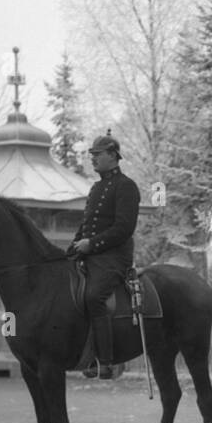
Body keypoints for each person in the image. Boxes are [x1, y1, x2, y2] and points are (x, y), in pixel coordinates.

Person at [69, 131, 139, 378]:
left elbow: (123, 229)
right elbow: (87, 224)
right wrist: (73, 247)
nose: (93, 159)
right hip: (91, 254)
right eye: (92, 155)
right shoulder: (96, 187)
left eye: (97, 154)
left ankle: (105, 361)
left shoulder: (127, 186)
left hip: (113, 258)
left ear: (112, 155)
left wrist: (91, 245)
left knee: (93, 296)